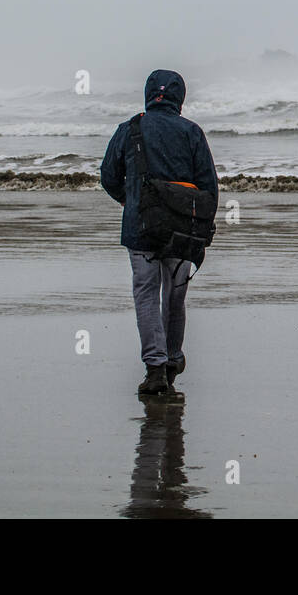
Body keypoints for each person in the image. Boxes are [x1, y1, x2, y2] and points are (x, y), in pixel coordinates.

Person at [101, 70, 218, 395]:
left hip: (140, 228)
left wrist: (131, 200)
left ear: (148, 95)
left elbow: (108, 177)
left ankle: (154, 369)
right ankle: (171, 361)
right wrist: (204, 230)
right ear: (180, 98)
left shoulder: (129, 129)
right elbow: (209, 187)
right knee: (175, 297)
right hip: (184, 230)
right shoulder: (192, 132)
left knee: (146, 295)